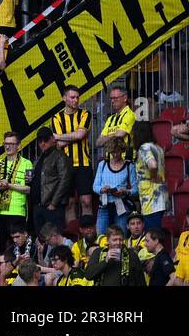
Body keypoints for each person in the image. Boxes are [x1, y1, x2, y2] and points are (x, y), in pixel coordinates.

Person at [51, 86, 94, 222]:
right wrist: (73, 136)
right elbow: (58, 144)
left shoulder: (85, 114)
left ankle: (89, 232)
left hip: (83, 164)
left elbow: (80, 135)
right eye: (72, 97)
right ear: (64, 98)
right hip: (65, 167)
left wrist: (59, 136)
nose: (76, 100)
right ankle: (72, 236)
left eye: (77, 97)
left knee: (86, 201)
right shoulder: (56, 117)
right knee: (69, 203)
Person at [0, 132, 33, 249]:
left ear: (19, 145)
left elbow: (29, 189)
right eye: (6, 143)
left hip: (16, 212)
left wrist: (10, 185)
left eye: (11, 144)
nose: (8, 147)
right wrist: (0, 187)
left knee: (18, 247)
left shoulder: (27, 163)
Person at [30, 127, 71, 236]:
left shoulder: (60, 155)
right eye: (40, 141)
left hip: (52, 206)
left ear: (53, 139)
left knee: (54, 239)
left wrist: (54, 203)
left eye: (45, 140)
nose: (43, 143)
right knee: (41, 240)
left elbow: (65, 180)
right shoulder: (39, 158)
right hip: (39, 205)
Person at [93, 137, 138, 235]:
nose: (115, 155)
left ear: (122, 151)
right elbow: (95, 186)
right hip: (104, 204)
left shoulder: (129, 166)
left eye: (117, 152)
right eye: (112, 152)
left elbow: (135, 189)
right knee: (101, 236)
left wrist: (125, 191)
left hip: (121, 204)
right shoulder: (103, 164)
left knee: (121, 234)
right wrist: (102, 189)